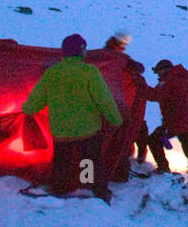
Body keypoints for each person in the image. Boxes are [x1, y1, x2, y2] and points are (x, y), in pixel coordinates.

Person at [23, 34, 123, 202]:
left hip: (61, 131)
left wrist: (27, 109)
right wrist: (116, 119)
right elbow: (104, 99)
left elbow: (36, 99)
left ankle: (59, 189)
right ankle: (90, 187)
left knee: (61, 161)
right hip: (87, 130)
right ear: (81, 50)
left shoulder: (52, 73)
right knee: (89, 160)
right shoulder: (89, 72)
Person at [87, 31, 146, 183]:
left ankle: (85, 180)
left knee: (87, 150)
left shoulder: (95, 59)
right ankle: (99, 180)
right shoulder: (116, 60)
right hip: (109, 112)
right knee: (112, 145)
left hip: (88, 114)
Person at [143, 58, 188, 176]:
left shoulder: (168, 80)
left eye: (158, 71)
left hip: (175, 119)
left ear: (163, 70)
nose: (157, 74)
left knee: (153, 140)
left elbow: (155, 95)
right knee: (187, 140)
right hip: (187, 117)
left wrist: (141, 88)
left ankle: (163, 167)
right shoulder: (183, 78)